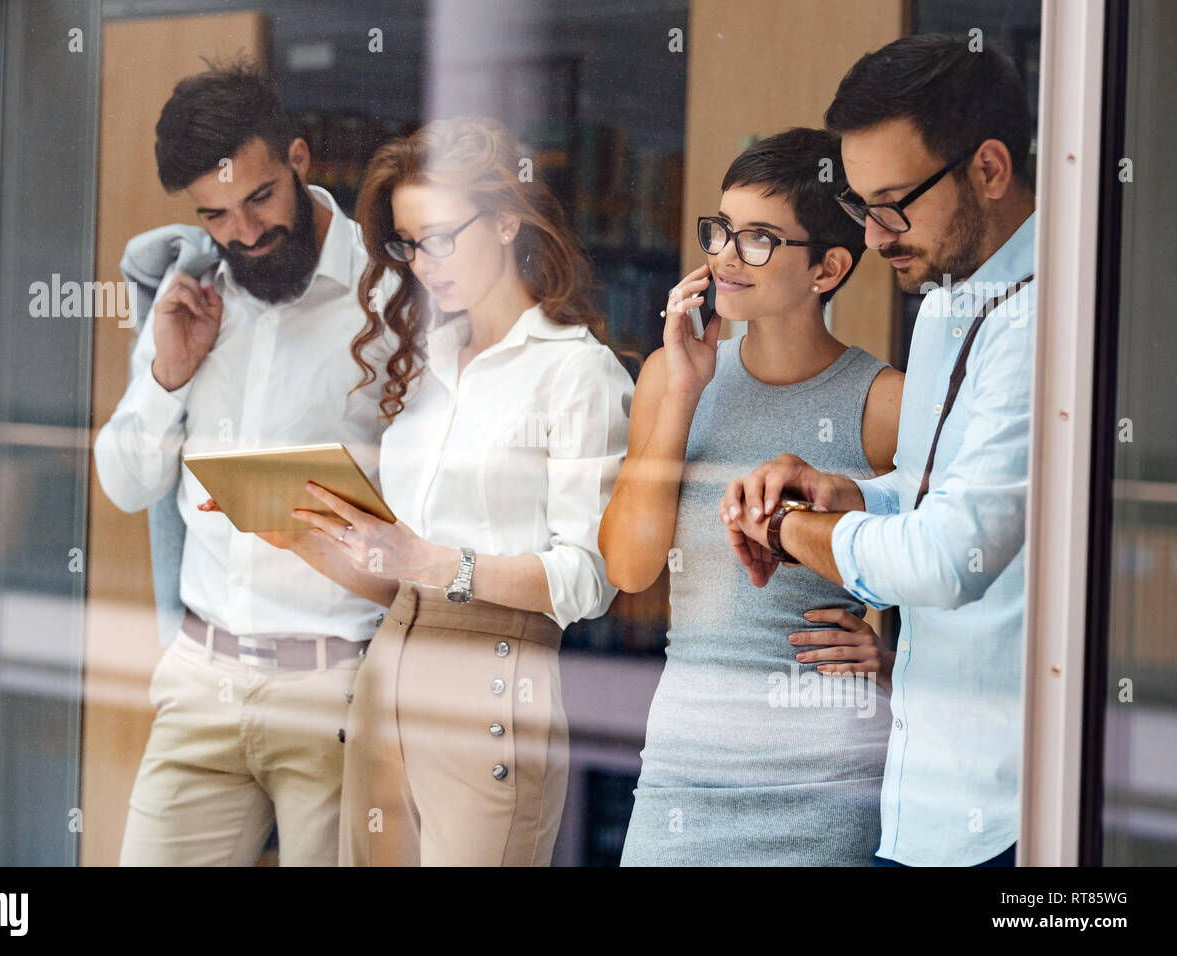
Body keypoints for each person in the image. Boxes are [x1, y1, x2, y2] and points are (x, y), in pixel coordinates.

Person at [248, 116, 634, 866]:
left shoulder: (576, 373)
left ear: (505, 221)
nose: (423, 263)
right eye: (406, 242)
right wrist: (293, 528)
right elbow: (401, 575)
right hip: (389, 670)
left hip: (495, 679)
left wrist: (434, 563)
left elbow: (589, 581)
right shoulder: (428, 365)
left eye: (441, 236)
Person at [723, 35, 1037, 868]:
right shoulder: (944, 306)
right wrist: (847, 495)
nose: (873, 235)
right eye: (861, 207)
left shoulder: (1050, 323)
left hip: (1011, 812)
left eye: (893, 203)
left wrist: (788, 531)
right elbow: (929, 490)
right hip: (922, 795)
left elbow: (945, 556)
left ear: (990, 169)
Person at [94, 61, 396, 866]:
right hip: (201, 677)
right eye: (216, 214)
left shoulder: (391, 297)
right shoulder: (190, 296)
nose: (246, 231)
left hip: (336, 687)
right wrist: (167, 375)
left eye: (259, 197)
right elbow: (126, 485)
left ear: (299, 158)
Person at [600, 128, 902, 865]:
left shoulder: (886, 403)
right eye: (722, 231)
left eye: (760, 239)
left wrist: (895, 660)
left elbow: (955, 565)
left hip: (827, 776)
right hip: (685, 767)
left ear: (828, 267)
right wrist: (680, 391)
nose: (725, 257)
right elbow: (629, 570)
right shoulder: (668, 381)